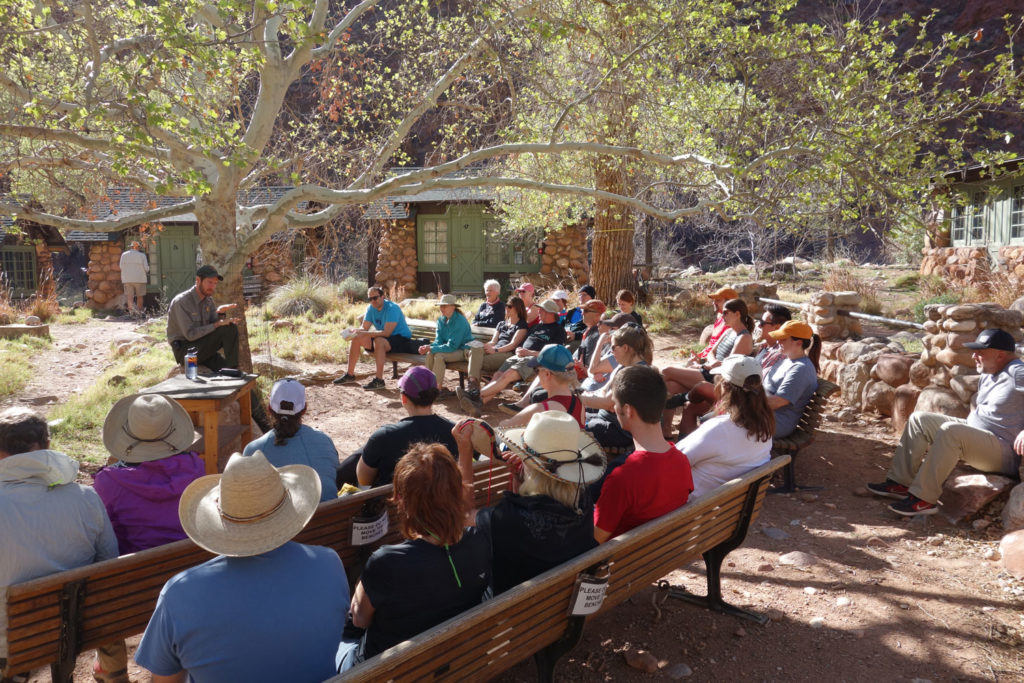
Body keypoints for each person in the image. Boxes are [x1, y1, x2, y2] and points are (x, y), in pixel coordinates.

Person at [135, 453, 348, 682]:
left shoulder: (179, 594)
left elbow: (165, 680)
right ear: (290, 508)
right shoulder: (330, 564)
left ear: (219, 518)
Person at [335, 443, 491, 672]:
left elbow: (359, 620)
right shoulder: (481, 540)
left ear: (401, 499)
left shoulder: (386, 562)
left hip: (385, 671)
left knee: (333, 641)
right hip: (455, 659)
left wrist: (364, 582)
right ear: (457, 492)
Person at [0, 407, 123, 683]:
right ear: (47, 446)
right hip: (77, 628)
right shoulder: (86, 498)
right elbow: (108, 564)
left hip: (11, 639)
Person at [867, 328, 1024, 516]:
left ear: (1000, 355)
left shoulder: (1018, 373)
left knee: (951, 431)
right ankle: (900, 483)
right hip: (977, 435)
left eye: (980, 352)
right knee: (920, 420)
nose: (974, 356)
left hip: (1003, 451)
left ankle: (924, 500)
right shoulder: (989, 371)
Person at [452, 412, 605, 595]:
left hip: (509, 610)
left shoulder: (512, 517)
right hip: (560, 601)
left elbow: (463, 516)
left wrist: (465, 451)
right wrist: (519, 478)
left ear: (527, 461)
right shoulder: (582, 496)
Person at [94, 394, 205, 555]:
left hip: (135, 571)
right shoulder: (196, 467)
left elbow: (100, 534)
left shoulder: (109, 482)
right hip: (194, 561)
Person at [593, 365, 693, 541]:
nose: (614, 409)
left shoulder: (623, 477)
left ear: (628, 410)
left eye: (615, 404)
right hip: (654, 556)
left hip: (619, 563)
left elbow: (595, 539)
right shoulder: (681, 461)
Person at [336, 366, 458, 488]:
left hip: (393, 504)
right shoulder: (454, 431)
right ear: (434, 396)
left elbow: (363, 480)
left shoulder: (385, 436)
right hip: (442, 500)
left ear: (404, 398)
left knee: (364, 453)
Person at [676, 356, 773, 499]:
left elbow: (673, 463)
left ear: (725, 386)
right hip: (728, 510)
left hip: (690, 505)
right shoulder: (765, 423)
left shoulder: (720, 428)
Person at [661, 298, 756, 436]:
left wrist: (712, 365)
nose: (722, 316)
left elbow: (732, 366)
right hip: (708, 369)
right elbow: (711, 351)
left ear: (737, 314)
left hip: (715, 378)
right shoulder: (728, 331)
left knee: (666, 371)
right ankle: (666, 431)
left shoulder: (744, 338)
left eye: (725, 313)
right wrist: (710, 363)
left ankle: (650, 401)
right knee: (670, 386)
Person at [243, 378, 340, 502]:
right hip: (330, 516)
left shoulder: (253, 451)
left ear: (269, 408)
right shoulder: (324, 440)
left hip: (283, 520)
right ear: (304, 409)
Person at [471, 300, 568, 408]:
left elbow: (553, 353)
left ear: (550, 313)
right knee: (497, 375)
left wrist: (528, 352)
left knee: (506, 376)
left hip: (535, 359)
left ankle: (474, 396)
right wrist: (519, 350)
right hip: (520, 355)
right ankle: (479, 403)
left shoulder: (558, 330)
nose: (538, 312)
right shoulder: (536, 327)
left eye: (541, 310)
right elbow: (524, 343)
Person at [581, 323, 655, 450]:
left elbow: (606, 403)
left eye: (613, 347)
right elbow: (608, 400)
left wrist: (573, 398)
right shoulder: (624, 366)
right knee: (576, 417)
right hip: (609, 419)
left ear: (625, 348)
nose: (611, 351)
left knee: (576, 427)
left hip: (621, 430)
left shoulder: (632, 373)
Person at [335, 286, 418, 391]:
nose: (372, 301)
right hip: (383, 338)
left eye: (375, 298)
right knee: (356, 338)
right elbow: (364, 328)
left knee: (379, 341)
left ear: (383, 296)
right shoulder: (370, 308)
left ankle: (379, 380)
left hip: (400, 339)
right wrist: (353, 331)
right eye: (370, 299)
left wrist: (366, 334)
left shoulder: (392, 308)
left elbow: (387, 333)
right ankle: (350, 375)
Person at [457, 296, 529, 415]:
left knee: (475, 359)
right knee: (475, 349)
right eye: (506, 306)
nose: (506, 308)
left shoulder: (522, 326)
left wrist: (495, 350)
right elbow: (493, 341)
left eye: (509, 306)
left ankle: (472, 393)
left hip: (506, 354)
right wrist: (485, 346)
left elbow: (512, 345)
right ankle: (473, 386)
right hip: (494, 350)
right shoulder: (501, 324)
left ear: (518, 308)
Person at [166, 264, 240, 372]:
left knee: (230, 327)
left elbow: (215, 326)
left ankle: (232, 370)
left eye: (215, 283)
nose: (213, 286)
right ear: (198, 280)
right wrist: (217, 324)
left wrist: (220, 314)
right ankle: (232, 371)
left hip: (202, 348)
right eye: (210, 282)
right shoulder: (181, 302)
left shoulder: (208, 300)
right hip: (186, 351)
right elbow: (190, 335)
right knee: (228, 329)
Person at [498, 345, 584, 428]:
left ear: (547, 374)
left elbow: (504, 427)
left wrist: (503, 423)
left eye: (536, 370)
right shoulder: (580, 403)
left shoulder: (539, 409)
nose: (537, 375)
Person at [763, 320, 820, 438]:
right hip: (765, 415)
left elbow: (777, 402)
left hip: (774, 423)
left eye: (783, 339)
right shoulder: (786, 360)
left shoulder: (801, 369)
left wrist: (746, 402)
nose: (778, 341)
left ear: (798, 343)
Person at [419, 293, 474, 397]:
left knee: (439, 356)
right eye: (440, 305)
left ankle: (437, 390)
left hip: (463, 350)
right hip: (450, 350)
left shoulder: (460, 321)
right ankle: (427, 386)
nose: (441, 308)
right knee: (430, 353)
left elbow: (452, 346)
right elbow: (438, 340)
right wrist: (428, 347)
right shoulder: (441, 320)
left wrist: (431, 348)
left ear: (453, 307)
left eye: (444, 305)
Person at [696, 286, 738, 361]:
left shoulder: (732, 323)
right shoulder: (720, 317)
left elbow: (724, 350)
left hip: (714, 361)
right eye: (714, 300)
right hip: (708, 357)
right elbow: (712, 344)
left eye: (718, 300)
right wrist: (700, 354)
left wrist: (703, 360)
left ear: (729, 303)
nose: (714, 303)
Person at [754, 304, 792, 372]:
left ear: (777, 327)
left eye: (762, 323)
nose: (759, 326)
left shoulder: (780, 355)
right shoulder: (765, 346)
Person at [119, 240, 149, 316]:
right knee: (140, 296)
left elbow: (121, 267)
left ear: (131, 247)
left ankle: (131, 313)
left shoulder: (124, 255)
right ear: (138, 247)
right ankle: (140, 313)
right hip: (140, 279)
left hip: (127, 279)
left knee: (129, 297)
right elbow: (146, 268)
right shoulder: (142, 255)